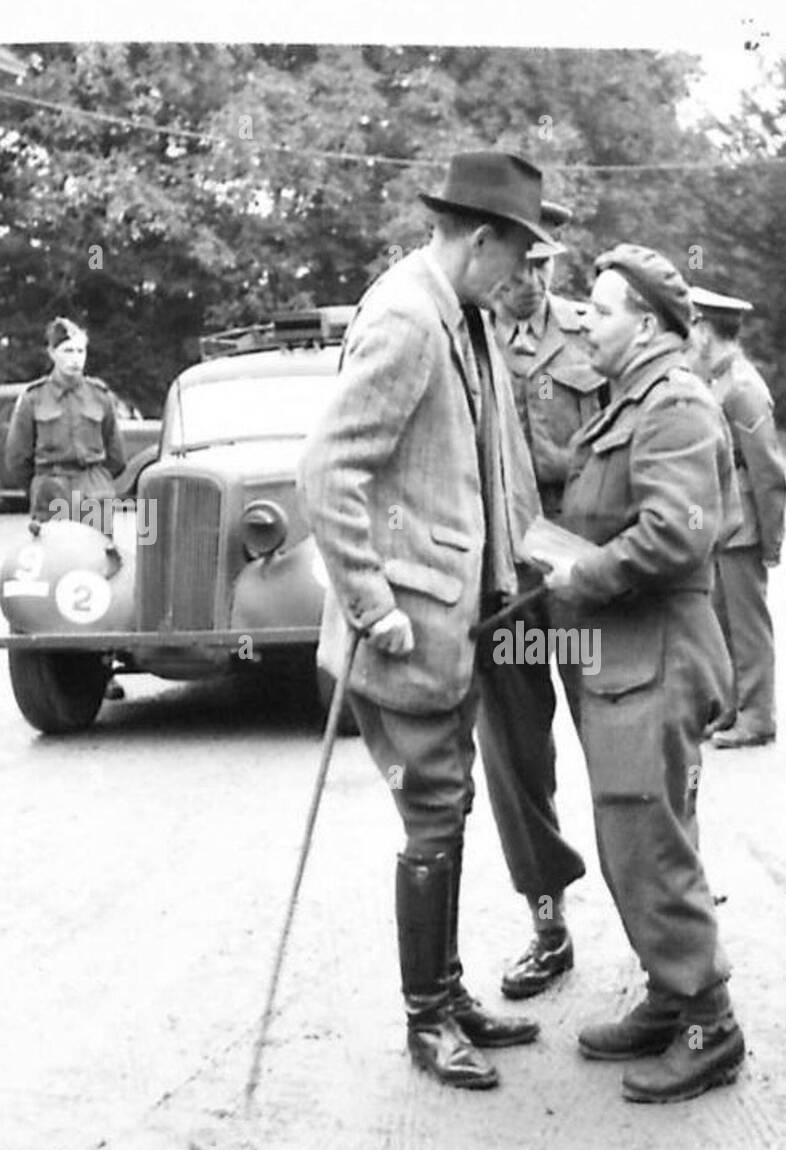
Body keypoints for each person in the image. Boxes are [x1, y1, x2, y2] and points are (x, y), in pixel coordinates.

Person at [297, 152, 556, 1091]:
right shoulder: (408, 319)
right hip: (403, 630)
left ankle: (444, 995)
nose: (523, 278)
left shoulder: (464, 315)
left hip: (455, 622)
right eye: (518, 257)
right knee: (432, 815)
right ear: (479, 238)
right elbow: (328, 475)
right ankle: (424, 1021)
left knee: (446, 806)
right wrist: (371, 604)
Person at [540, 244, 743, 1104]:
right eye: (587, 304)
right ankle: (669, 995)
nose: (586, 318)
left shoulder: (674, 404)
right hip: (622, 655)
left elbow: (677, 532)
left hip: (653, 653)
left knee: (649, 841)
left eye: (604, 307)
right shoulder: (629, 399)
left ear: (651, 325)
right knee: (639, 836)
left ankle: (708, 1021)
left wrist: (580, 573)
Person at [480, 204, 608, 1000]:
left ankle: (661, 920)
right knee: (516, 758)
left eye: (544, 265)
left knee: (619, 735)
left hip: (583, 580)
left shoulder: (593, 338)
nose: (533, 280)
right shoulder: (462, 340)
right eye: (521, 265)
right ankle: (546, 920)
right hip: (505, 588)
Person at [687, 287, 786, 748]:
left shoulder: (743, 389)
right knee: (720, 620)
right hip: (726, 525)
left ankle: (758, 717)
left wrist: (772, 540)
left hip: (744, 526)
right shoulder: (720, 382)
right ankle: (730, 706)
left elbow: (767, 471)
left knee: (748, 628)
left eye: (693, 327)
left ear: (708, 332)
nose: (689, 337)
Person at [6, 317, 126, 533]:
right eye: (68, 351)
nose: (75, 359)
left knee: (97, 558)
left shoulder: (100, 396)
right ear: (52, 353)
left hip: (93, 493)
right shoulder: (34, 398)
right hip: (52, 495)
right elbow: (17, 459)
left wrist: (96, 480)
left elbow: (116, 456)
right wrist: (40, 485)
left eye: (81, 351)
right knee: (55, 560)